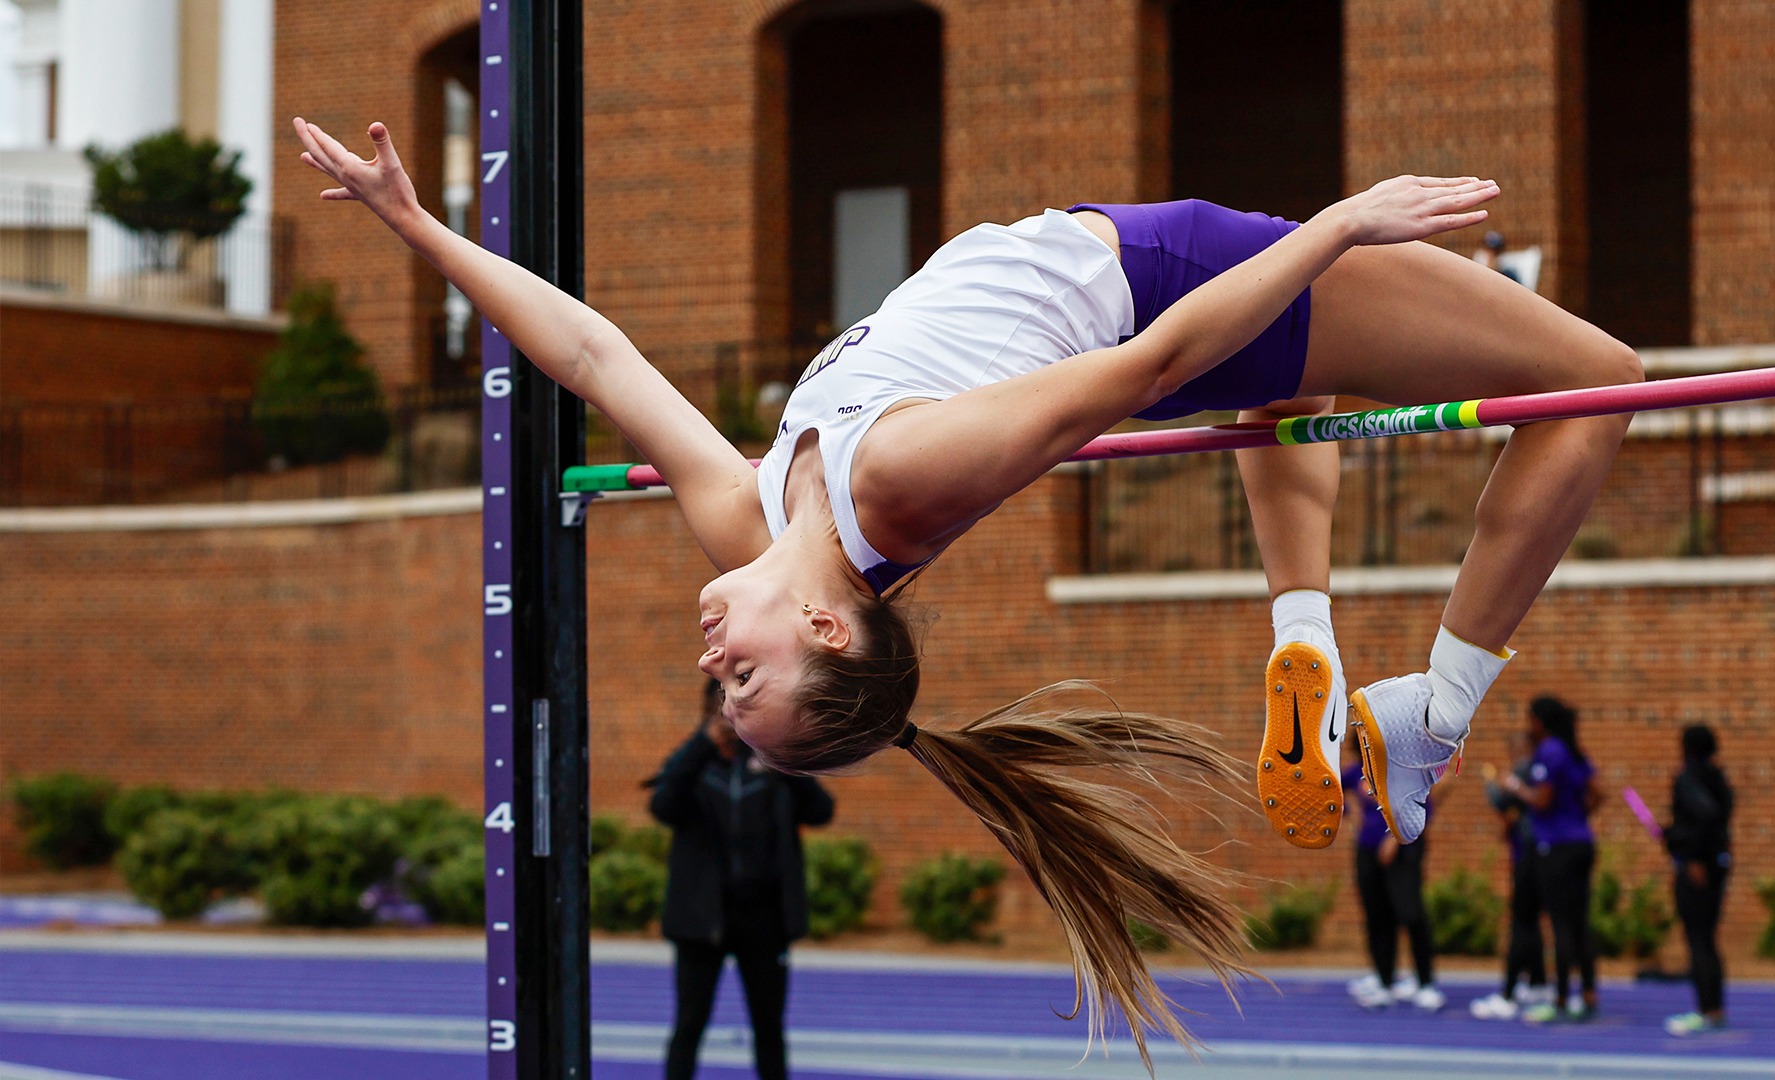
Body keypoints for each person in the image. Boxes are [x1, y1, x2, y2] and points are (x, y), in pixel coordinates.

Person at [292, 116, 1640, 1058]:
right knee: (1598, 385)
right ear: (826, 627)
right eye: (746, 681)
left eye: (724, 691)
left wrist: (419, 226)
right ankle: (1438, 711)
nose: (713, 664)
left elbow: (591, 352)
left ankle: (1307, 636)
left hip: (1173, 302)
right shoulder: (900, 483)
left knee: (1289, 394)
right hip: (1165, 276)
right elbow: (1156, 362)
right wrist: (1342, 224)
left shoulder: (744, 517)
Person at [647, 678, 835, 1080]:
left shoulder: (774, 760)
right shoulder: (694, 762)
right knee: (689, 1023)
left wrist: (781, 750)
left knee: (768, 1029)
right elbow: (663, 805)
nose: (733, 716)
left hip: (764, 921)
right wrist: (702, 744)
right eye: (725, 705)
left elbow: (820, 811)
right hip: (702, 922)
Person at [1504, 695, 1601, 1023]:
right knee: (1579, 922)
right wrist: (1577, 816)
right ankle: (1587, 993)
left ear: (1540, 722)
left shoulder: (1550, 751)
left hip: (1556, 846)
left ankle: (1560, 999)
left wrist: (1517, 787)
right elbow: (1598, 793)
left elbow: (1542, 800)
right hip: (1581, 842)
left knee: (1560, 924)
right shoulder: (1574, 750)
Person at [1342, 741, 1443, 1011]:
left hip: (1403, 849)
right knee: (1377, 915)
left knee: (1411, 913)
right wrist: (1349, 814)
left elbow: (1424, 805)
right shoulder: (1357, 772)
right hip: (1367, 849)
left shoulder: (1401, 769)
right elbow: (1330, 790)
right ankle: (1384, 979)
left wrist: (1395, 839)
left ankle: (1425, 982)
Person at [1469, 735, 1550, 1020]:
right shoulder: (1533, 774)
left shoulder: (1528, 771)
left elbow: (1502, 800)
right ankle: (1538, 981)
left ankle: (1509, 993)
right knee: (1530, 922)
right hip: (1531, 854)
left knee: (1522, 923)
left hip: (1531, 856)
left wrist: (1493, 785)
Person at [1663, 723, 1734, 1036]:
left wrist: (1690, 855)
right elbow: (1718, 819)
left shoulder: (1689, 778)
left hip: (1698, 866)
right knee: (1707, 938)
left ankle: (1707, 1011)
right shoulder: (1719, 777)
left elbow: (1705, 816)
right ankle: (1713, 1009)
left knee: (1699, 940)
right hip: (1718, 863)